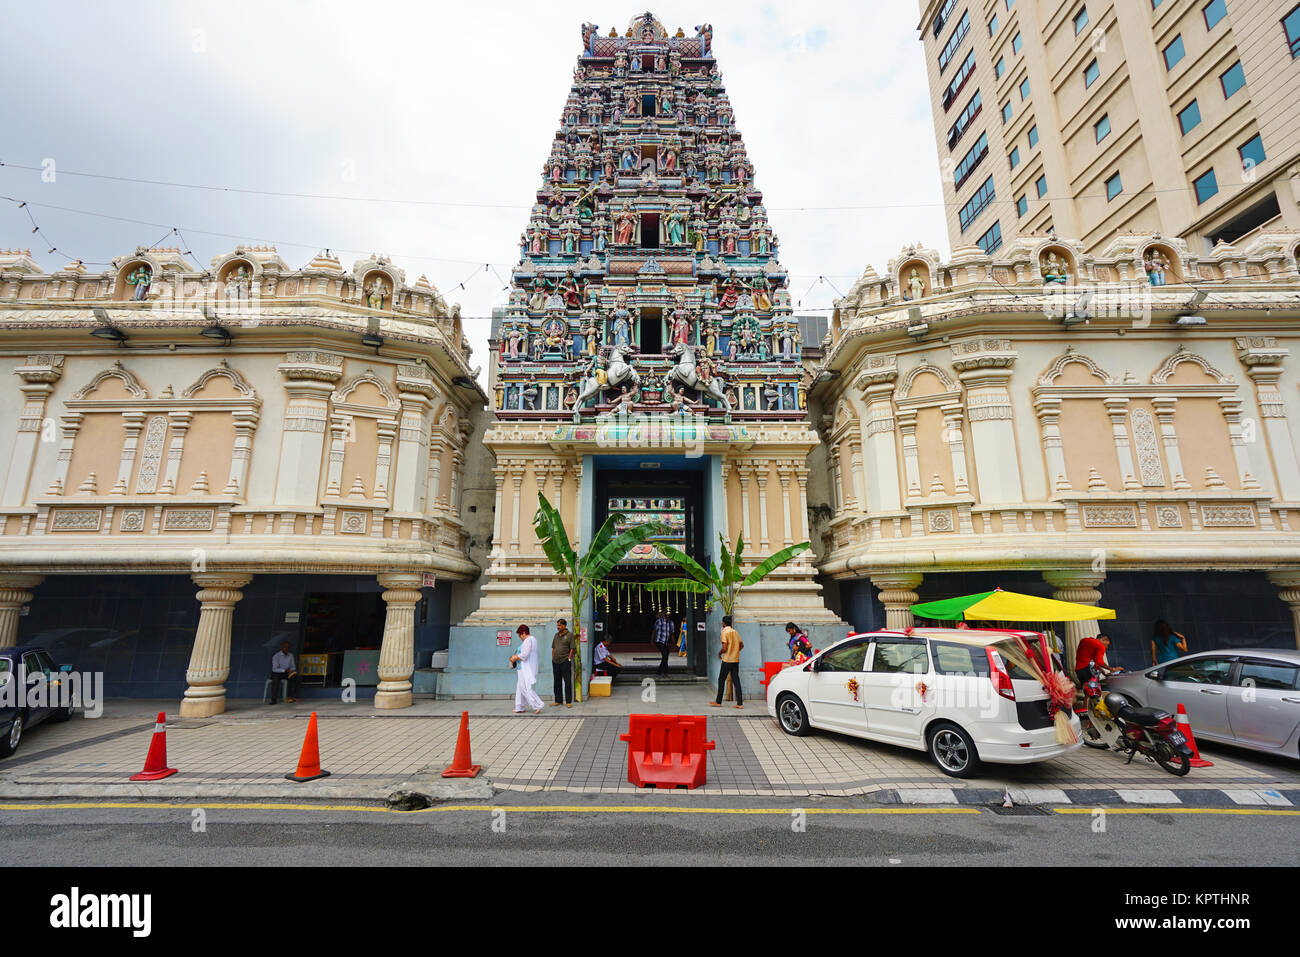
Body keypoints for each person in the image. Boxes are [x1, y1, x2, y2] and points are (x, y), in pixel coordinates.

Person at [510, 625, 544, 714]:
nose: (520, 637)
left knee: (525, 688)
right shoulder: (533, 640)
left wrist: (514, 657)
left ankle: (537, 705)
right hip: (523, 667)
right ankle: (519, 707)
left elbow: (524, 655)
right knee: (520, 688)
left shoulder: (528, 640)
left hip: (525, 668)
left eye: (520, 635)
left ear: (524, 633)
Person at [711, 615, 743, 709]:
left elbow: (724, 648)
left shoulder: (724, 632)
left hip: (727, 660)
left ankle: (718, 701)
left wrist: (720, 653)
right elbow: (742, 645)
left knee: (721, 679)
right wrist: (735, 651)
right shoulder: (735, 632)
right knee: (736, 681)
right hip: (735, 660)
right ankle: (740, 703)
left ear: (724, 623)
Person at [551, 618, 575, 708]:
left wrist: (569, 658)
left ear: (564, 626)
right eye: (557, 625)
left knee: (567, 681)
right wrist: (553, 658)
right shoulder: (556, 635)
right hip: (555, 661)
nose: (558, 627)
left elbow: (572, 648)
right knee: (557, 682)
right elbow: (553, 647)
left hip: (565, 661)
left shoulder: (570, 635)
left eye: (560, 625)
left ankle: (568, 701)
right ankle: (558, 700)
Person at [652, 611, 675, 676]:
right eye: (667, 614)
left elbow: (672, 633)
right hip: (659, 641)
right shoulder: (659, 621)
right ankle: (664, 671)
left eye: (669, 614)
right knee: (665, 655)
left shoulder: (671, 623)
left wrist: (673, 643)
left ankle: (662, 671)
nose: (668, 616)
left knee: (666, 656)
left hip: (666, 642)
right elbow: (654, 631)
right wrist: (652, 641)